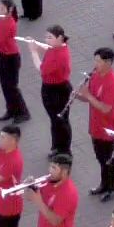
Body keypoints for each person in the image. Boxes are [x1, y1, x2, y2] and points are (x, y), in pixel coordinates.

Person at [74, 47, 114, 198]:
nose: (95, 64)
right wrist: (78, 95)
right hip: (95, 125)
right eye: (95, 60)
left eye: (98, 61)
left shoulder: (112, 83)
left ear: (108, 62)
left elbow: (105, 108)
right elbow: (90, 98)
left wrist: (87, 95)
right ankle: (104, 184)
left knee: (110, 159)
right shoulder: (95, 75)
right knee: (101, 157)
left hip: (108, 128)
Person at [28, 26, 75, 158]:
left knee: (60, 121)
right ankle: (57, 147)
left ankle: (64, 150)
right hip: (55, 88)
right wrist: (36, 43)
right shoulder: (60, 47)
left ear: (59, 38)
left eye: (50, 37)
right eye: (46, 37)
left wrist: (33, 51)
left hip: (56, 91)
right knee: (56, 120)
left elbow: (40, 68)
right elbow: (48, 49)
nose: (46, 40)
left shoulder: (59, 56)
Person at [0, 0, 29, 122]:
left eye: (2, 8)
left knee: (12, 86)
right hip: (2, 55)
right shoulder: (3, 19)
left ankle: (23, 112)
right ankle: (11, 109)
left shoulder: (9, 22)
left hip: (10, 58)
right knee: (5, 85)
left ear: (9, 9)